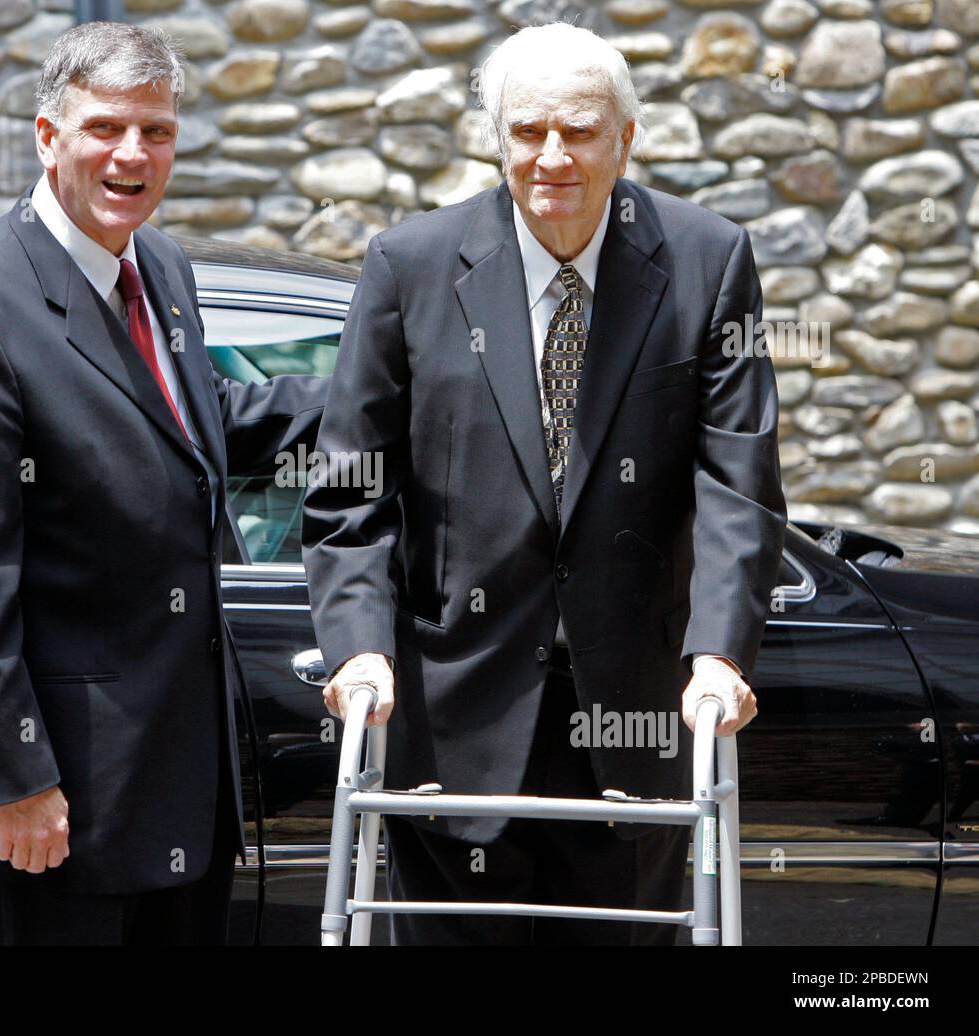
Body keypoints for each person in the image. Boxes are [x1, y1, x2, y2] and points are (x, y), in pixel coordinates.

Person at [302, 21, 787, 945]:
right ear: (498, 140)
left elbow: (739, 480)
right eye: (527, 132)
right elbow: (350, 490)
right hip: (451, 718)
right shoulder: (408, 265)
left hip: (635, 719)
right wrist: (359, 646)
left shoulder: (706, 259)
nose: (552, 157)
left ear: (625, 139)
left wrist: (719, 652)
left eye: (579, 131)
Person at [0, 21, 325, 945]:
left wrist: (384, 393)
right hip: (57, 810)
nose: (133, 154)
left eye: (157, 131)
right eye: (105, 128)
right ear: (48, 137)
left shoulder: (157, 266)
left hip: (177, 796)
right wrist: (17, 782)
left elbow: (194, 423)